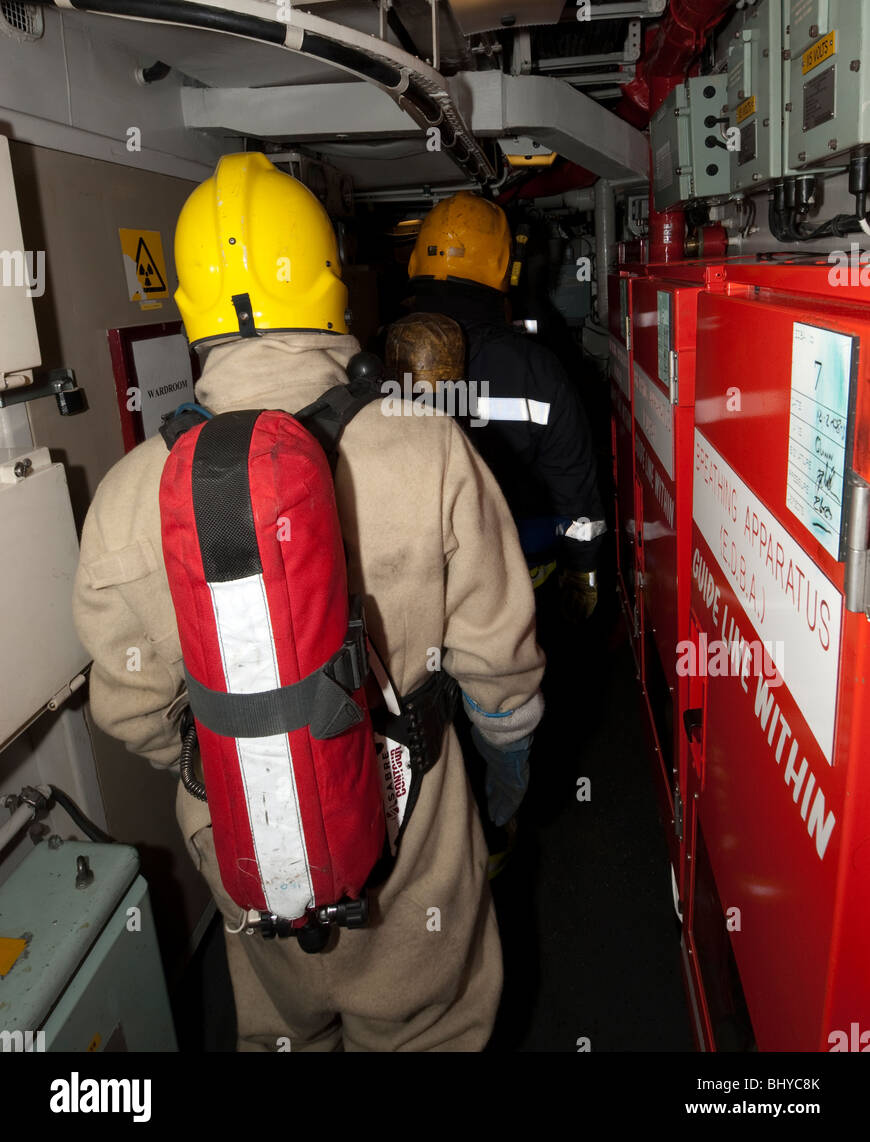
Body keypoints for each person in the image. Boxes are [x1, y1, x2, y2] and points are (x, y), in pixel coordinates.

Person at [72, 153, 544, 1053]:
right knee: (430, 1030)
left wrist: (248, 752)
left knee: (283, 1035)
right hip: (415, 862)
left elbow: (129, 711)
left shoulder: (131, 497)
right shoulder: (425, 445)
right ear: (331, 282)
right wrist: (508, 758)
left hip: (251, 864)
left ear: (192, 310)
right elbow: (497, 656)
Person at [407, 192, 606, 620]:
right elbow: (573, 484)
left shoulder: (376, 357)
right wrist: (582, 567)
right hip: (515, 585)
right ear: (505, 270)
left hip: (413, 595)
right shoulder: (537, 369)